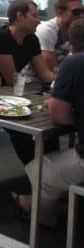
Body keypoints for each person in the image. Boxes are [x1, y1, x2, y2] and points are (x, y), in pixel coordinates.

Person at [11, 18, 84, 228]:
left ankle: (37, 210)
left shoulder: (74, 63)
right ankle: (42, 208)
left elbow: (58, 115)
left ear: (71, 44)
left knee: (38, 168)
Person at [0, 0, 57, 164]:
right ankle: (36, 176)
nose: (38, 20)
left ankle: (48, 176)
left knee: (51, 127)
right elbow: (11, 78)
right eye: (34, 15)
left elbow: (44, 74)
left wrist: (66, 82)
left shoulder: (31, 39)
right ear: (20, 16)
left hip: (13, 94)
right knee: (22, 131)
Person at [22, 0, 83, 86]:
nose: (81, 15)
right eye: (76, 12)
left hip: (58, 81)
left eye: (83, 11)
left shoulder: (76, 31)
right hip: (34, 84)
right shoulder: (47, 30)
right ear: (60, 12)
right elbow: (50, 67)